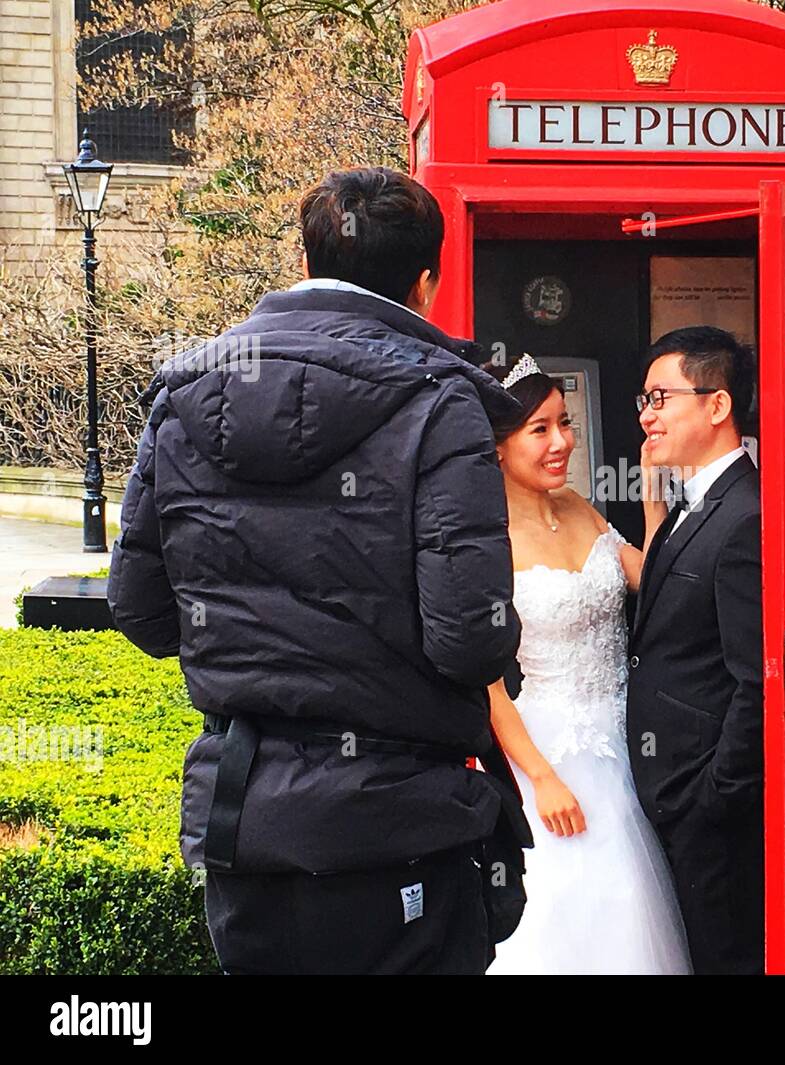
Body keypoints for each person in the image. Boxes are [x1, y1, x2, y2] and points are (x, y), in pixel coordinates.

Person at [107, 166, 529, 975]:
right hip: (397, 821)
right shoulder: (440, 401)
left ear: (304, 267)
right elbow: (467, 642)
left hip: (246, 817)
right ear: (427, 284)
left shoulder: (182, 390)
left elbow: (142, 611)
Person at [483, 354, 691, 974]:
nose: (562, 442)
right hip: (552, 754)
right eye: (539, 429)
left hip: (627, 739)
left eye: (565, 423)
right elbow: (486, 683)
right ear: (497, 446)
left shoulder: (577, 503)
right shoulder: (485, 539)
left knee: (635, 900)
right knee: (574, 907)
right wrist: (540, 778)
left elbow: (649, 583)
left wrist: (652, 497)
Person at [628, 326, 764, 975]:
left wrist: (715, 798)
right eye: (643, 401)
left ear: (717, 405)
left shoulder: (744, 517)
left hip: (707, 816)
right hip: (667, 798)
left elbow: (757, 680)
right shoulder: (701, 501)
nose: (648, 414)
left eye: (661, 397)